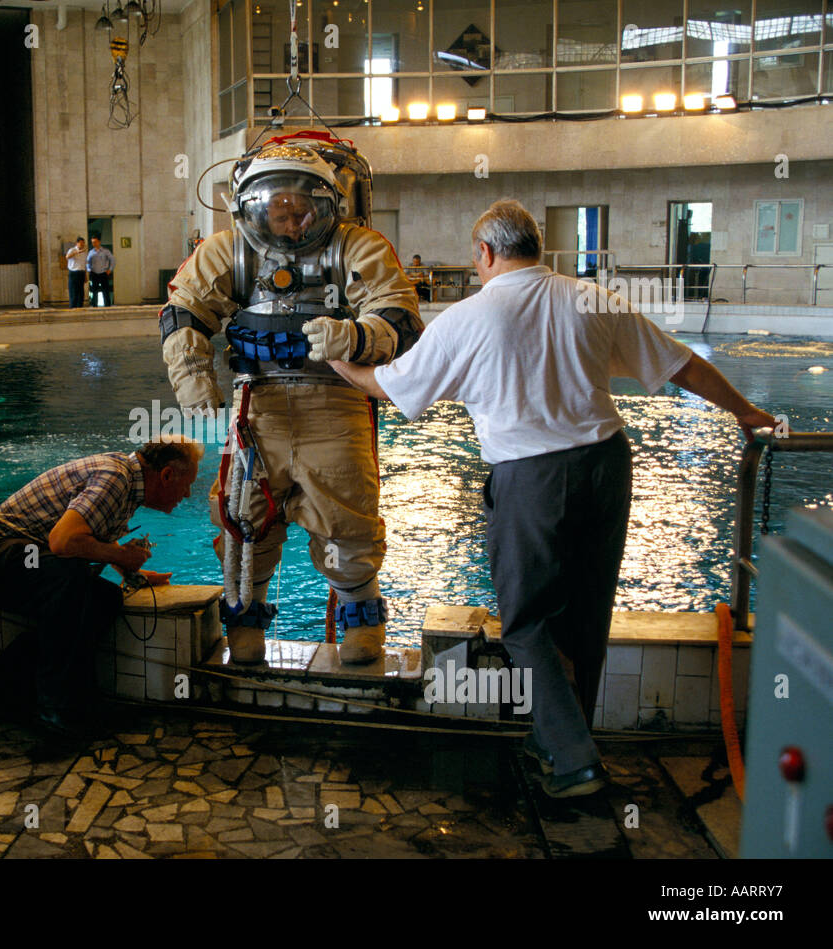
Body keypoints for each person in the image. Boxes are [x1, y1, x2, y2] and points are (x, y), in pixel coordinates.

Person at [330, 199, 774, 798]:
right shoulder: (590, 299)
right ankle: (560, 738)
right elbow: (681, 364)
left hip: (532, 477)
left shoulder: (468, 317)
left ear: (485, 253)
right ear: (536, 247)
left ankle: (575, 761)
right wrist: (744, 411)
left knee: (527, 620)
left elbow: (388, 387)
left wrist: (335, 360)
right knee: (586, 615)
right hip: (607, 464)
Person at [160, 137, 422, 665]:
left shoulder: (357, 246)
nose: (292, 219)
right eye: (277, 208)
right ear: (251, 207)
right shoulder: (228, 250)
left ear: (327, 205)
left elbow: (400, 313)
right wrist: (192, 375)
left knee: (348, 518)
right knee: (242, 517)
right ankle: (246, 625)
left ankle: (360, 626)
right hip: (258, 409)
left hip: (336, 404)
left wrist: (356, 339)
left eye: (303, 208)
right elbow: (183, 311)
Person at [0, 438, 202, 737]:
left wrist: (131, 571)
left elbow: (89, 536)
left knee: (104, 598)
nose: (187, 495)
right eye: (187, 484)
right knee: (68, 576)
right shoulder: (116, 477)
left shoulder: (125, 483)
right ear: (166, 475)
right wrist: (122, 555)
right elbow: (62, 542)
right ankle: (55, 711)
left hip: (14, 560)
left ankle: (3, 683)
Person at [87, 236, 115, 307]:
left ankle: (107, 305)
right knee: (94, 291)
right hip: (94, 273)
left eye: (95, 242)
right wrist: (89, 270)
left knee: (105, 290)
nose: (94, 244)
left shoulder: (106, 251)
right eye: (92, 242)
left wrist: (110, 269)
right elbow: (87, 262)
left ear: (99, 242)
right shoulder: (91, 252)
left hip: (103, 273)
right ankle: (94, 305)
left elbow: (112, 260)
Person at [65, 237, 88, 308]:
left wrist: (85, 276)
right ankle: (72, 308)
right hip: (73, 273)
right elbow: (67, 257)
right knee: (73, 292)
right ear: (77, 243)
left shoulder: (85, 253)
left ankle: (80, 308)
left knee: (81, 292)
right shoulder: (72, 250)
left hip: (81, 273)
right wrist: (76, 252)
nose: (82, 245)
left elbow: (85, 264)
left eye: (83, 243)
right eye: (81, 243)